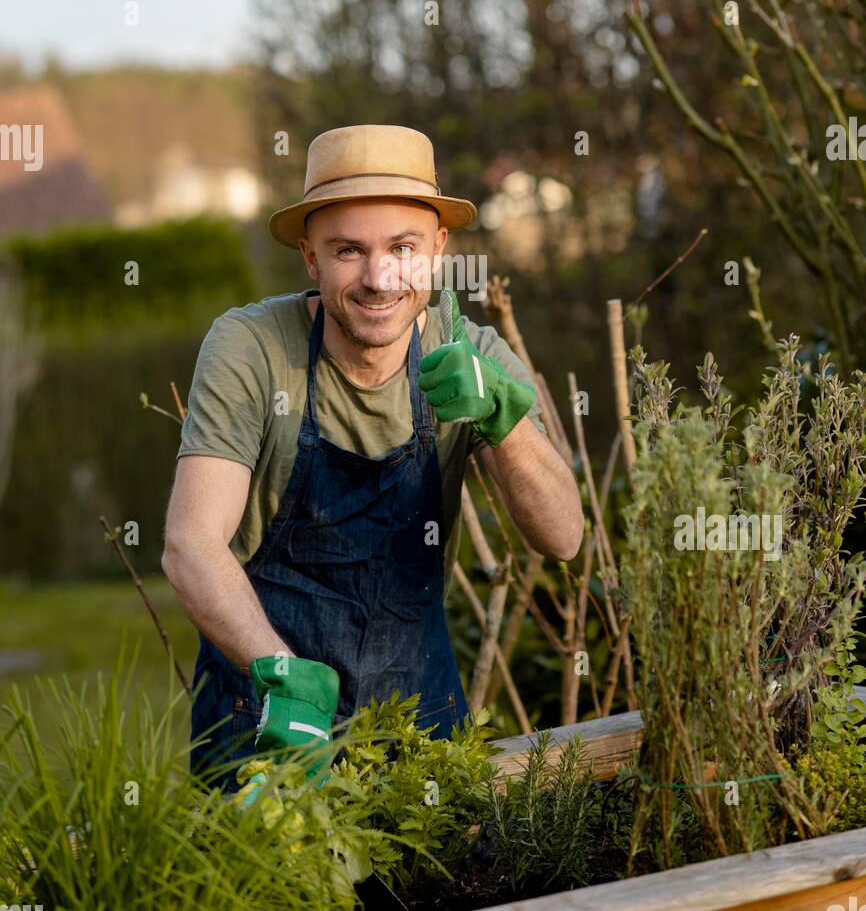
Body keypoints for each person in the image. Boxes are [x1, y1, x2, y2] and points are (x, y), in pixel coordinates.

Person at [162, 124, 584, 792]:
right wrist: (279, 671)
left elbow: (563, 536)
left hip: (419, 719)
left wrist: (506, 424)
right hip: (267, 709)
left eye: (403, 248)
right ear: (310, 257)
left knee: (445, 894)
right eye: (348, 250)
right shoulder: (251, 348)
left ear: (439, 250)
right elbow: (190, 545)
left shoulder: (467, 354)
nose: (379, 277)